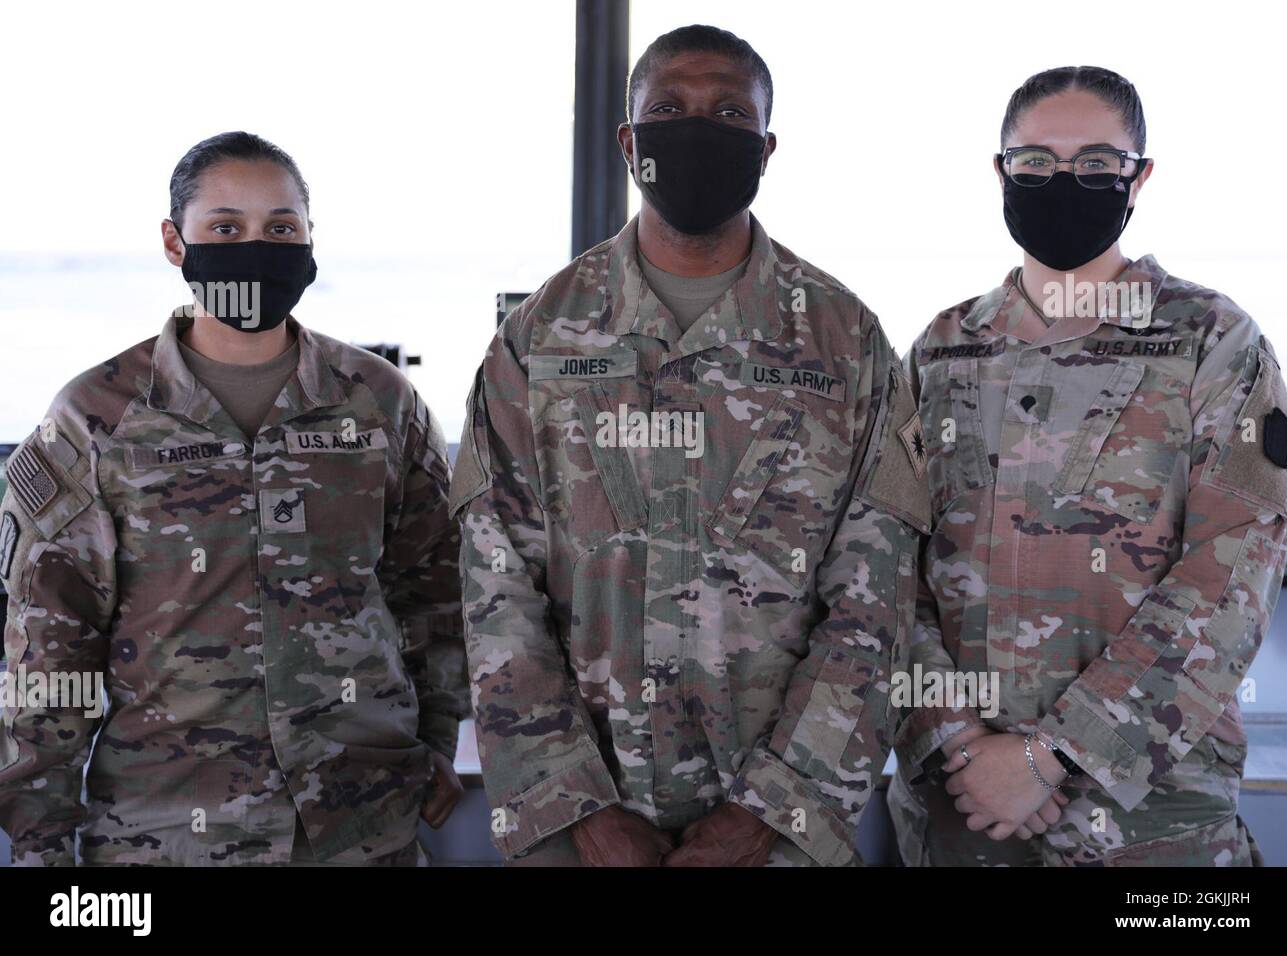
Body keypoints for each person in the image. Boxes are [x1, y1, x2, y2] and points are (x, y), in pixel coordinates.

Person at [450, 24, 929, 867]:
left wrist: (774, 810)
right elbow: (497, 588)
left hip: (778, 834)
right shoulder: (539, 336)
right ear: (630, 142)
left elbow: (873, 600)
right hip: (579, 831)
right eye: (669, 108)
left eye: (728, 112)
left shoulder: (845, 340)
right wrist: (578, 807)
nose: (698, 126)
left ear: (766, 147)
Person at [0, 131, 469, 865]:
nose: (257, 246)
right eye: (226, 228)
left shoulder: (380, 403)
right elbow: (50, 644)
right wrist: (39, 838)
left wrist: (439, 740)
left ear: (311, 240)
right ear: (173, 241)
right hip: (163, 831)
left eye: (281, 228)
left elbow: (434, 592)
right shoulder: (98, 416)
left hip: (357, 826)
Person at [887, 67, 1287, 866]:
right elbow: (885, 565)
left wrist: (1049, 758)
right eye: (1034, 162)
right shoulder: (942, 349)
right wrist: (958, 743)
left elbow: (1231, 577)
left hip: (1151, 815)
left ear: (1139, 177)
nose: (1062, 182)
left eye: (1096, 164)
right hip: (958, 808)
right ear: (999, 172)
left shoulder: (1214, 342)